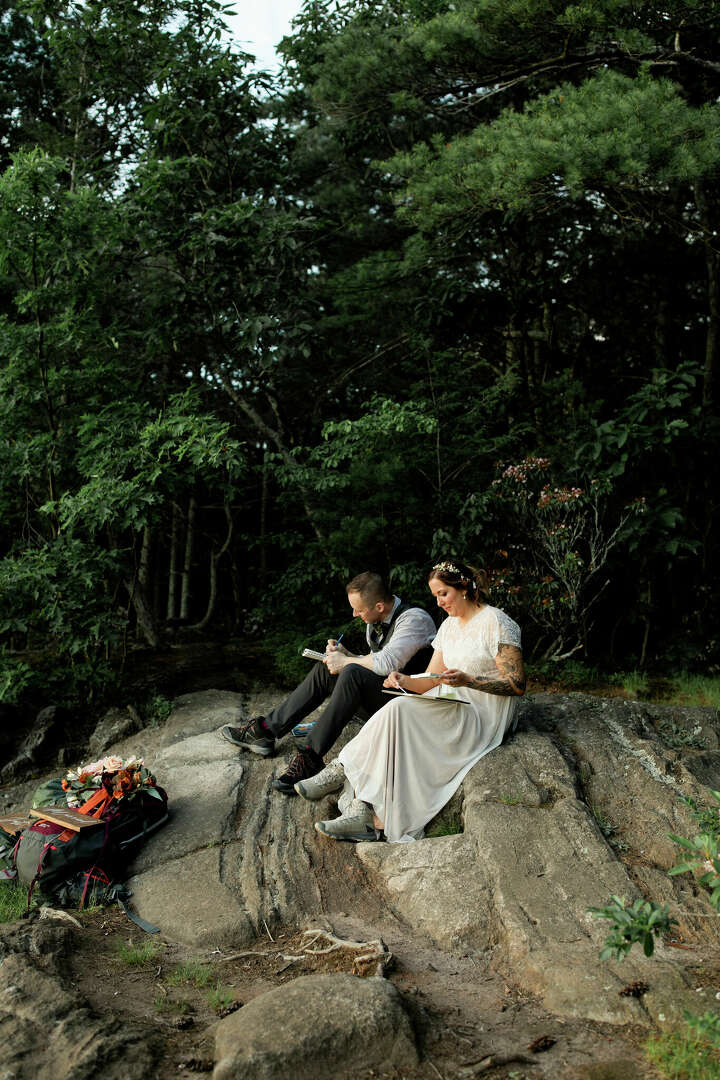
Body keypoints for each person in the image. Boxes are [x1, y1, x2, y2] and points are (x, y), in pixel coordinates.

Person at [293, 559, 525, 843]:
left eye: (443, 594)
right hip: (452, 701)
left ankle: (346, 776)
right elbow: (431, 679)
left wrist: (468, 680)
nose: (439, 603)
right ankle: (359, 804)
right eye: (435, 596)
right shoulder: (449, 627)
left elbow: (516, 685)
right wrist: (403, 680)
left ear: (463, 588)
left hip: (483, 713)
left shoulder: (497, 622)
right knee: (396, 708)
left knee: (401, 710)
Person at [219, 571, 436, 793]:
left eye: (359, 610)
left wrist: (347, 661)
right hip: (385, 695)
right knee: (327, 669)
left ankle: (311, 757)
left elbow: (387, 663)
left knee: (350, 670)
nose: (354, 614)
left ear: (379, 607)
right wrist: (345, 655)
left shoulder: (414, 619)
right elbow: (374, 664)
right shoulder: (377, 619)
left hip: (409, 705)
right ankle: (265, 730)